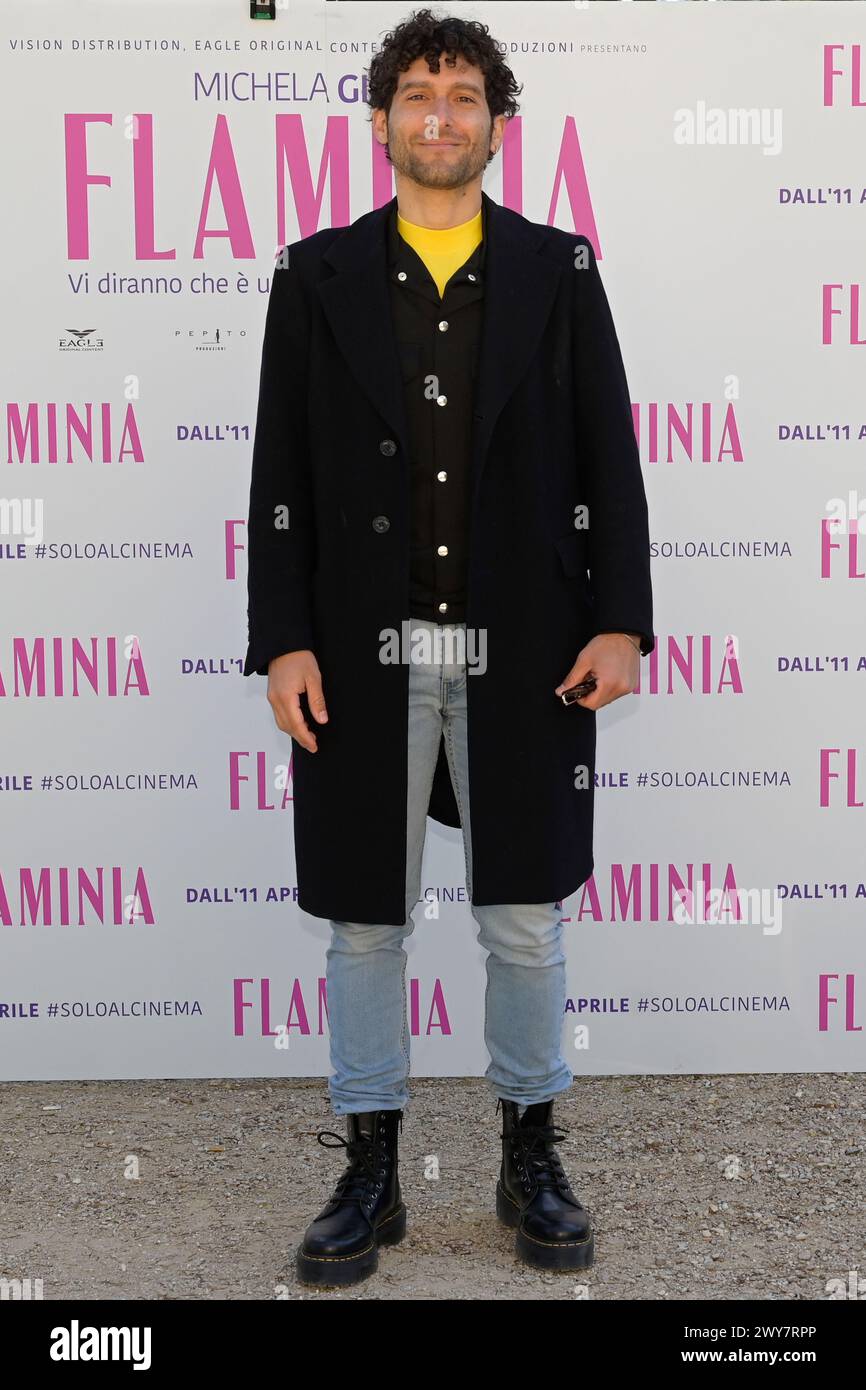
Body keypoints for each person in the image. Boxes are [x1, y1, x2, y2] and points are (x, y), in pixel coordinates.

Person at [243, 7, 654, 1288]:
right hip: (361, 657)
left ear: (494, 122)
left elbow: (610, 460)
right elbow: (280, 480)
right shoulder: (313, 277)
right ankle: (369, 1168)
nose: (438, 113)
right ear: (380, 123)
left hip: (525, 646)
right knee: (363, 926)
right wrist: (283, 642)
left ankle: (529, 1151)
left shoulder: (558, 270)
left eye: (462, 95)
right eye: (416, 92)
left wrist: (619, 615)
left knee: (522, 920)